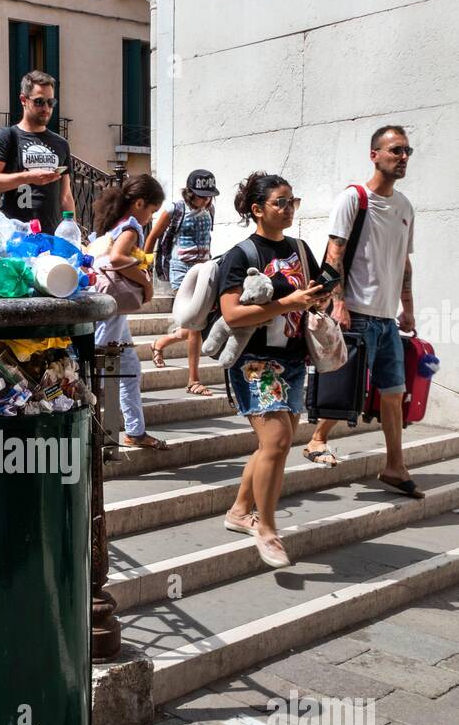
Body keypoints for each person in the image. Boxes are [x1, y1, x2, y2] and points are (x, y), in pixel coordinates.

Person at [219, 171, 330, 569]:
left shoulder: (300, 249)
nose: (287, 209)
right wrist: (289, 303)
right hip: (255, 360)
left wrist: (320, 297)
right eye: (280, 202)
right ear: (257, 209)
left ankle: (238, 511)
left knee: (274, 445)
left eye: (291, 202)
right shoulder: (242, 255)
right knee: (279, 441)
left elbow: (311, 295)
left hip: (294, 359)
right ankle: (266, 529)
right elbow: (231, 313)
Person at [304, 125, 421, 496]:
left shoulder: (404, 206)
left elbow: (404, 263)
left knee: (393, 392)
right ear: (375, 155)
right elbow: (333, 255)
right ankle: (316, 439)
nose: (402, 158)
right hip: (355, 312)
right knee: (348, 389)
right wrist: (339, 303)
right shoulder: (353, 199)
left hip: (387, 318)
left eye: (407, 152)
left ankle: (395, 466)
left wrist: (408, 309)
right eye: (395, 151)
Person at [93, 174, 170, 451]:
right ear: (139, 203)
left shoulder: (114, 224)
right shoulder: (131, 227)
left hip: (109, 303)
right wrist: (146, 283)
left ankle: (135, 431)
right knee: (102, 362)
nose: (151, 217)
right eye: (151, 210)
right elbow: (118, 259)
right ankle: (101, 431)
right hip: (113, 306)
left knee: (129, 368)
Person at [145, 168, 218, 395]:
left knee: (195, 325)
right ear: (189, 192)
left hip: (203, 268)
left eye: (209, 195)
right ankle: (193, 380)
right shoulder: (175, 209)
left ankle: (160, 343)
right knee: (195, 324)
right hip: (180, 270)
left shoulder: (210, 209)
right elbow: (153, 236)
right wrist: (143, 264)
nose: (206, 199)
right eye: (201, 195)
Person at [0, 70, 73, 233]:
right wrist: (28, 177)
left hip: (52, 235)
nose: (46, 108)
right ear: (23, 100)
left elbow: (65, 195)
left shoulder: (61, 144)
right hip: (16, 236)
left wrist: (71, 228)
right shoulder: (6, 136)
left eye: (50, 102)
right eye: (39, 101)